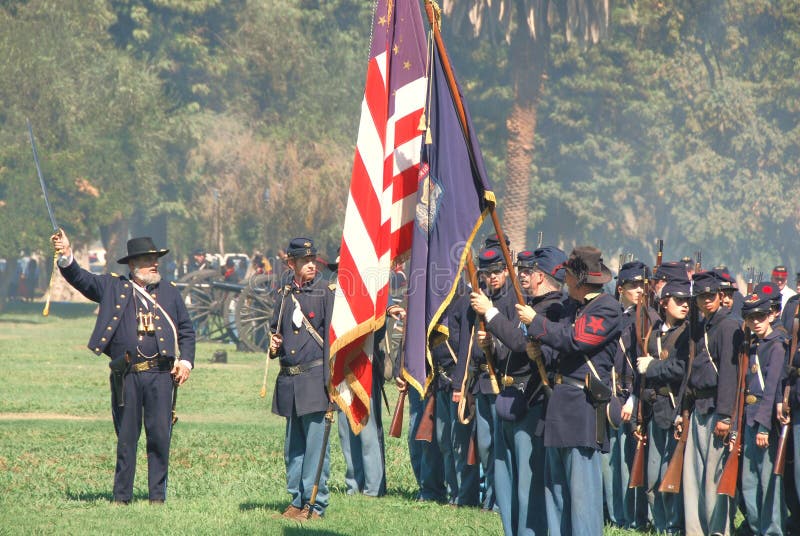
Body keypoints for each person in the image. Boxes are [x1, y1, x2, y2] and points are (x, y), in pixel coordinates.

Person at [51, 231, 195, 504]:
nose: (154, 264)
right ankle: (121, 498)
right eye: (147, 259)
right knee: (127, 439)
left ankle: (157, 498)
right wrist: (67, 254)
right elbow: (80, 279)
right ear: (132, 264)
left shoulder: (170, 292)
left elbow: (187, 330)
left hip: (162, 375)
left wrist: (185, 361)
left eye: (155, 259)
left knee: (160, 438)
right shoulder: (113, 287)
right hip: (127, 375)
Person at [516, 246, 623, 535]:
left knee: (582, 501)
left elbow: (577, 340)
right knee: (556, 494)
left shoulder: (607, 308)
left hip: (582, 408)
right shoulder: (570, 307)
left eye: (568, 277)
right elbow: (557, 345)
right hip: (559, 407)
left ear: (580, 280)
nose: (564, 281)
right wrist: (537, 348)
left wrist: (536, 323)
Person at [470, 246, 565, 535]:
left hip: (531, 401)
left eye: (528, 271)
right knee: (505, 478)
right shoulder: (528, 305)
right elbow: (512, 353)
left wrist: (491, 312)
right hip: (509, 397)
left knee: (527, 482)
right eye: (520, 270)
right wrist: (492, 349)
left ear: (542, 275)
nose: (521, 275)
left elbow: (521, 344)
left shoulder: (552, 308)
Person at [268, 237, 335, 520]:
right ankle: (296, 500)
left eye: (312, 260)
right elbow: (276, 330)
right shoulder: (284, 294)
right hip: (290, 381)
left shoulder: (325, 292)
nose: (310, 264)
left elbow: (334, 339)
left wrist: (332, 383)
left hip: (316, 379)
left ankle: (314, 503)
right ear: (291, 264)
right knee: (293, 447)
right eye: (304, 261)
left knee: (316, 446)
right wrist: (273, 345)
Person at [682, 270, 742, 535]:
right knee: (693, 476)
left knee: (713, 479)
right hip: (699, 407)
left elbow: (730, 376)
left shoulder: (728, 327)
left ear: (720, 296)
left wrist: (725, 415)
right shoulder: (703, 326)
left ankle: (718, 530)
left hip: (717, 409)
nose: (706, 301)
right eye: (701, 297)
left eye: (710, 296)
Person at [636, 278, 691, 534]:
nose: (684, 306)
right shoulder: (655, 334)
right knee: (652, 476)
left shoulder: (686, 335)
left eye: (686, 301)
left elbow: (682, 368)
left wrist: (653, 366)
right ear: (664, 303)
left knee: (671, 474)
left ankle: (672, 526)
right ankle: (658, 524)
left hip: (674, 408)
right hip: (655, 409)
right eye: (678, 301)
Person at [604, 261, 653, 530]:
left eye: (641, 285)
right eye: (632, 285)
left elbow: (643, 363)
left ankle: (634, 518)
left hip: (633, 396)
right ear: (620, 288)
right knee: (610, 462)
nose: (638, 290)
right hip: (611, 394)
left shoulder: (646, 318)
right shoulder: (614, 316)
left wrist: (634, 398)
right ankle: (616, 516)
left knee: (629, 461)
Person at [738, 285, 787, 535]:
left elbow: (771, 390)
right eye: (751, 317)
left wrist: (765, 427)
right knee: (749, 482)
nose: (756, 321)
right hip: (748, 420)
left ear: (772, 315)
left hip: (763, 422)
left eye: (760, 316)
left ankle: (773, 531)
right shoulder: (754, 345)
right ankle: (757, 529)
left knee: (769, 483)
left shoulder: (776, 345)